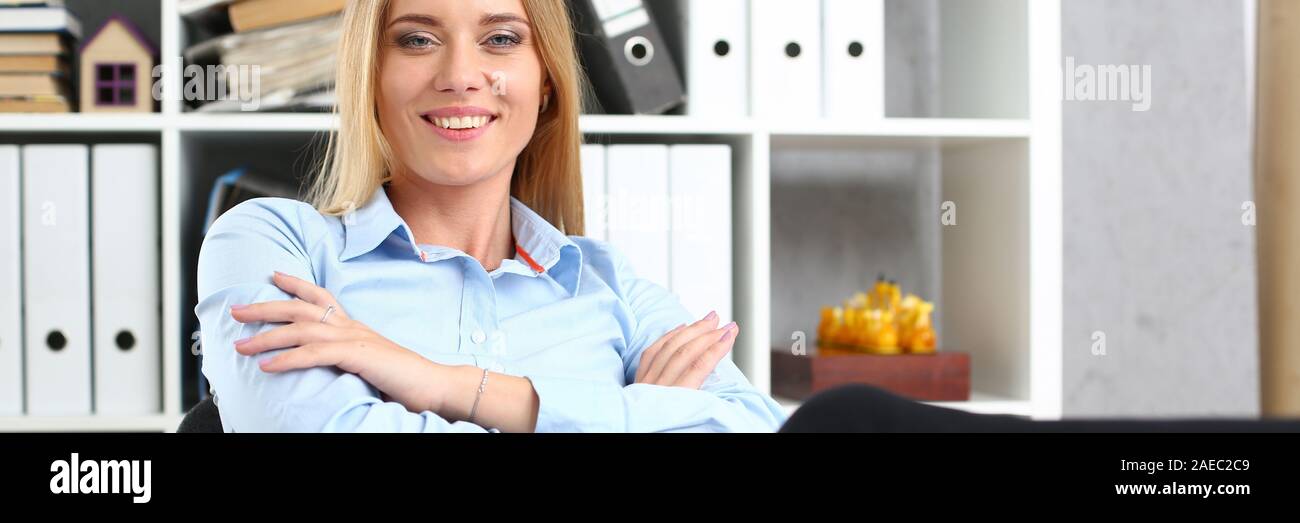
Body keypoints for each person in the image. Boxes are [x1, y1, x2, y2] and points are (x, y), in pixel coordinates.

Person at [194, 0, 787, 432]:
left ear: (547, 80)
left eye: (501, 39)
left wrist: (441, 384)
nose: (458, 76)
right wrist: (627, 418)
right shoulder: (275, 244)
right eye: (417, 40)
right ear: (369, 76)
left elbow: (750, 426)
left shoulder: (610, 285)